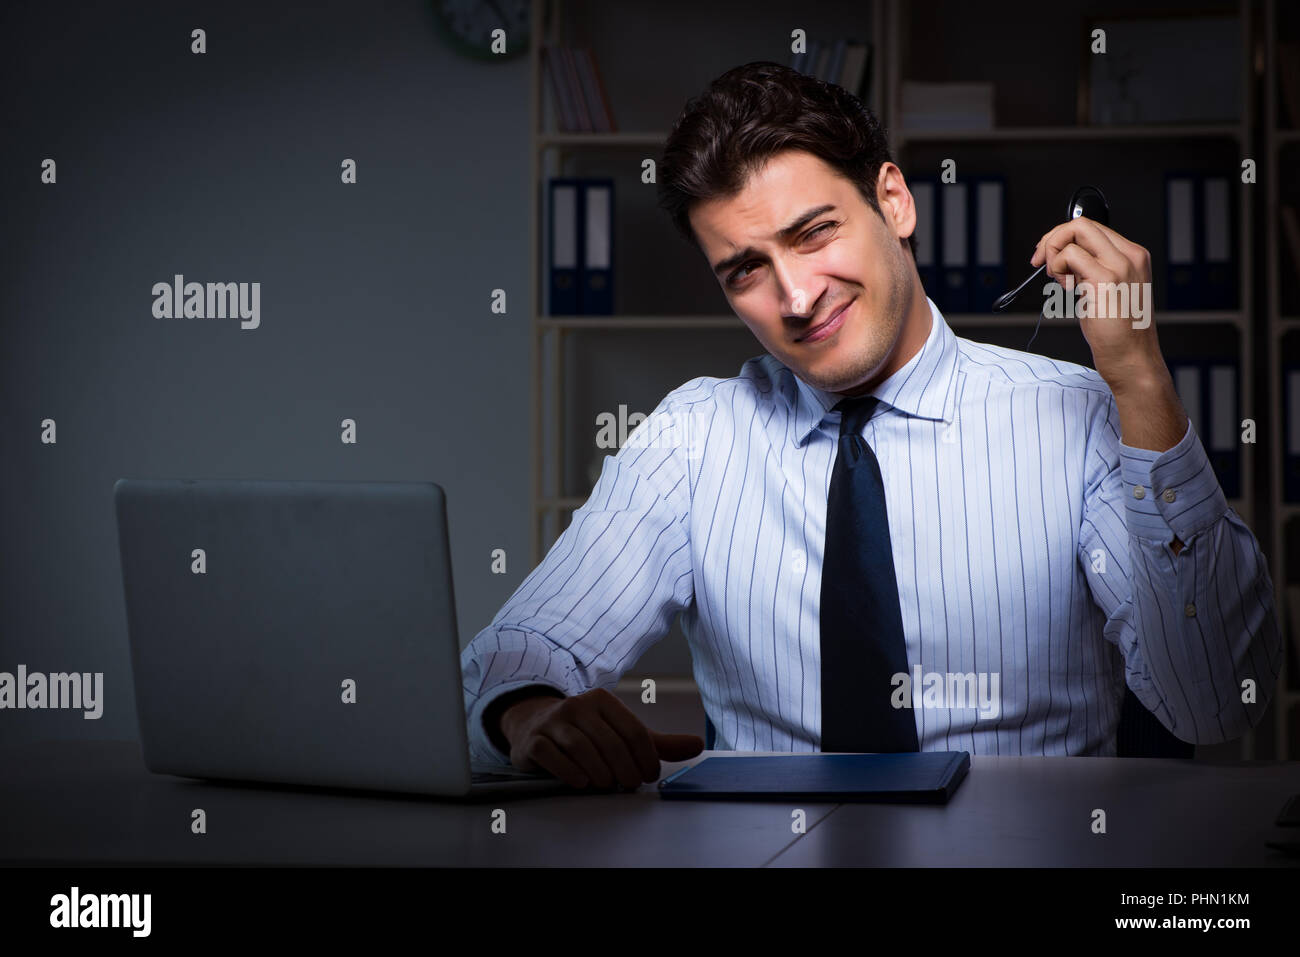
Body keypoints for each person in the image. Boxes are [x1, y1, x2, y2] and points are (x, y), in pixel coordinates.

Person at [460, 61, 1281, 791]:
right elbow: (511, 656)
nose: (795, 296)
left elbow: (1214, 703)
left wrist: (1140, 378)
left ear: (893, 201)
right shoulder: (690, 438)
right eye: (747, 269)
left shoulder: (1079, 416)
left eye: (813, 234)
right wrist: (525, 714)